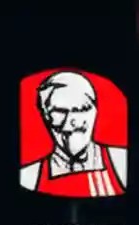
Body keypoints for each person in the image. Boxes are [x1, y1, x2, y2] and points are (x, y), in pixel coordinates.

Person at [20, 70, 127, 198]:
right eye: (59, 111)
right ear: (45, 115)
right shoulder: (30, 176)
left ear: (95, 112)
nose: (72, 121)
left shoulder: (119, 161)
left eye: (82, 109)